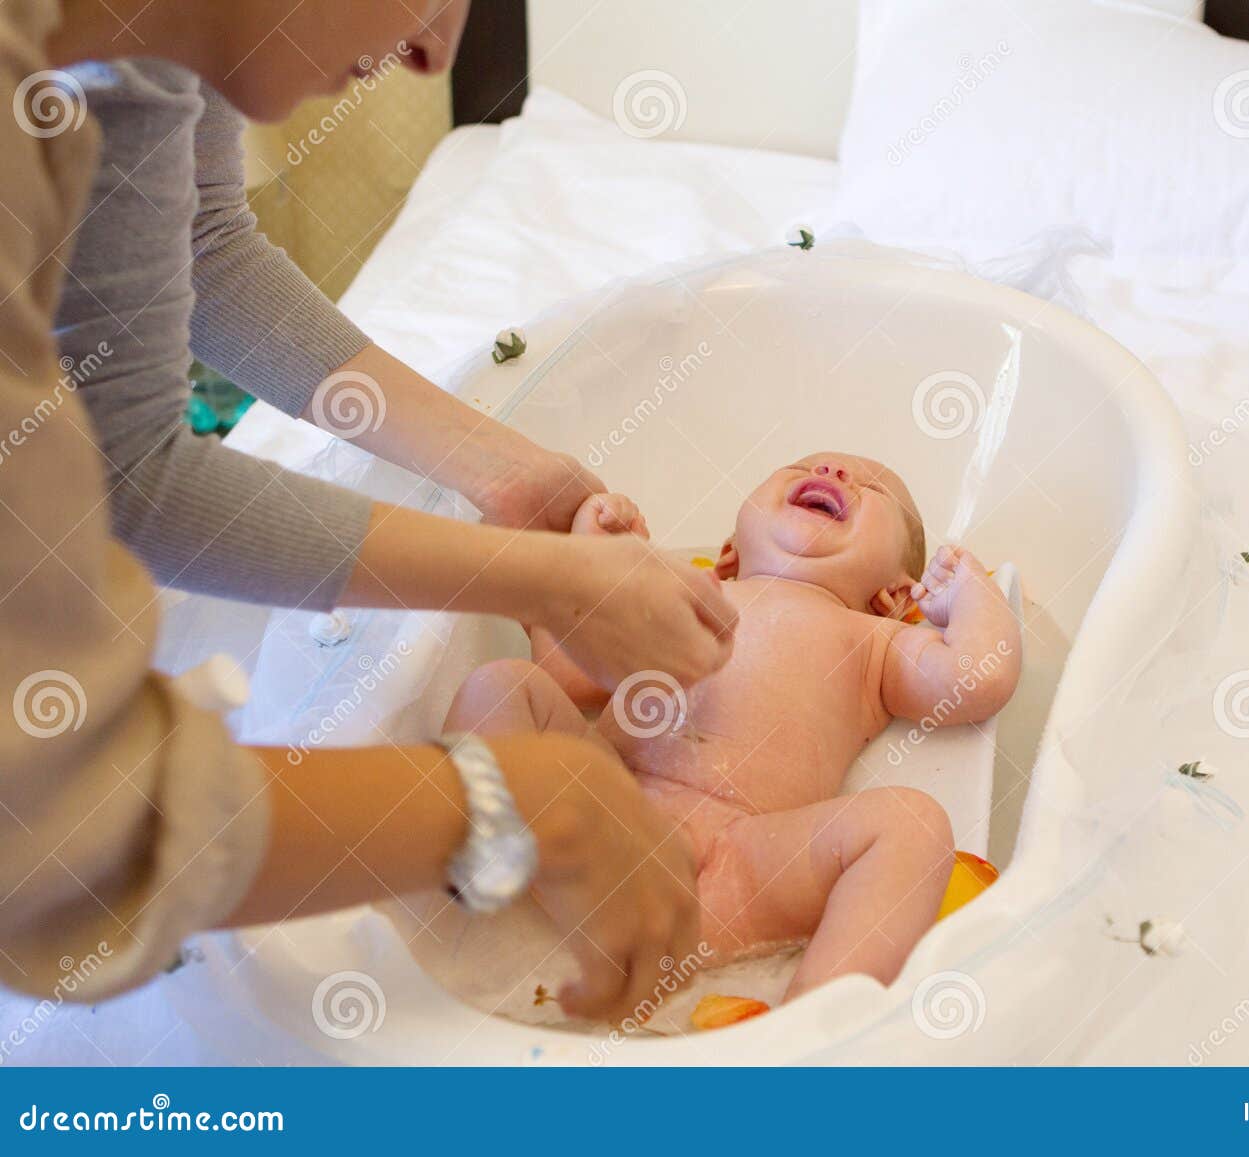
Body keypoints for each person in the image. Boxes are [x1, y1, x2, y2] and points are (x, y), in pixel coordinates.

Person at [0, 0, 732, 1024]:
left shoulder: (132, 50)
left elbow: (194, 246)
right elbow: (65, 827)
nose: (437, 53)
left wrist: (502, 473)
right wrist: (511, 796)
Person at [435, 454, 1020, 1004]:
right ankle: (479, 849)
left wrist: (973, 594)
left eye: (873, 489)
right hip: (592, 813)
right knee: (504, 685)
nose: (832, 469)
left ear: (892, 596)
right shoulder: (682, 598)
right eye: (803, 463)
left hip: (727, 866)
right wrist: (591, 567)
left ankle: (813, 1026)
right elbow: (564, 675)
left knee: (911, 823)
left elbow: (976, 680)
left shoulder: (874, 641)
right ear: (729, 555)